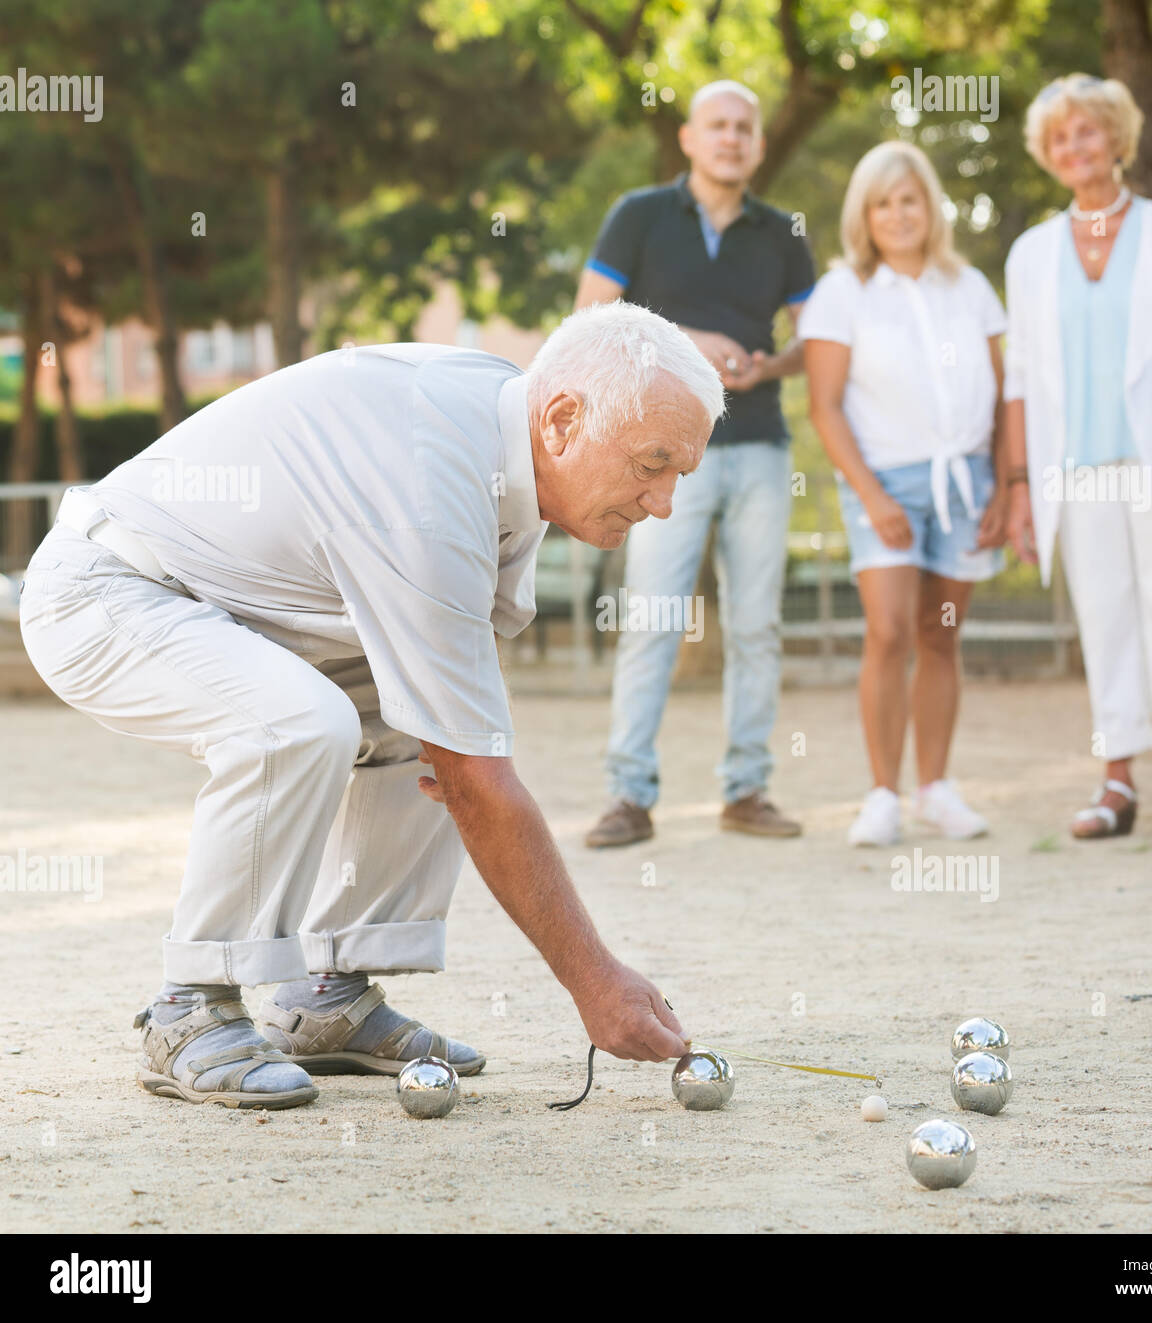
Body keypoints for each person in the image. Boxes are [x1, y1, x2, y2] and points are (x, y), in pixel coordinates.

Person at [19, 302, 721, 1110]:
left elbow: (461, 710)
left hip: (227, 610)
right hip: (106, 590)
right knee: (304, 726)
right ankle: (189, 1007)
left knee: (433, 720)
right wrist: (594, 979)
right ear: (564, 420)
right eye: (651, 462)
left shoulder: (507, 431)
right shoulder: (435, 476)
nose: (663, 500)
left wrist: (458, 753)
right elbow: (476, 779)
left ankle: (324, 996)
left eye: (680, 474)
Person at [577, 79, 816, 848]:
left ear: (758, 142)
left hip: (758, 447)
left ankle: (747, 789)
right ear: (689, 137)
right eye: (717, 124)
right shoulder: (639, 215)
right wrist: (689, 342)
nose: (732, 136)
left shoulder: (783, 233)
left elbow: (816, 344)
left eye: (745, 126)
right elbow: (589, 318)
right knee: (651, 618)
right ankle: (628, 795)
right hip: (659, 457)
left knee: (758, 625)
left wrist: (767, 365)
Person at [1003, 74, 1152, 840]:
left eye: (1088, 131)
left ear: (1116, 138)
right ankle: (1115, 782)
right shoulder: (1032, 253)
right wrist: (1017, 488)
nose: (1075, 146)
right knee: (1104, 621)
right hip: (1073, 469)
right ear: (1047, 153)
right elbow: (1020, 379)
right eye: (1060, 137)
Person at [802, 142, 1008, 847]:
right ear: (865, 214)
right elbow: (824, 406)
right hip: (882, 482)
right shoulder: (843, 292)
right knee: (889, 631)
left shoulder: (970, 287)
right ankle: (882, 793)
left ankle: (937, 788)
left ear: (930, 206)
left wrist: (1007, 486)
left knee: (940, 633)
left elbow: (1008, 394)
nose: (898, 214)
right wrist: (873, 495)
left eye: (909, 199)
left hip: (966, 481)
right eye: (882, 202)